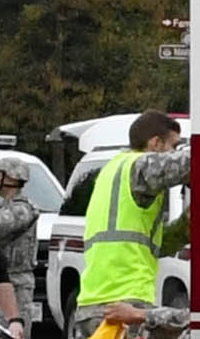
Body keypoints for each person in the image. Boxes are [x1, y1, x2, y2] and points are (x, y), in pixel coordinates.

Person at [71, 106, 181, 319]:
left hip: (91, 304)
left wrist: (187, 223)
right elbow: (191, 163)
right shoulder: (140, 167)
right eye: (174, 146)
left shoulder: (113, 169)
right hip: (126, 303)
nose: (175, 153)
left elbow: (154, 245)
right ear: (155, 143)